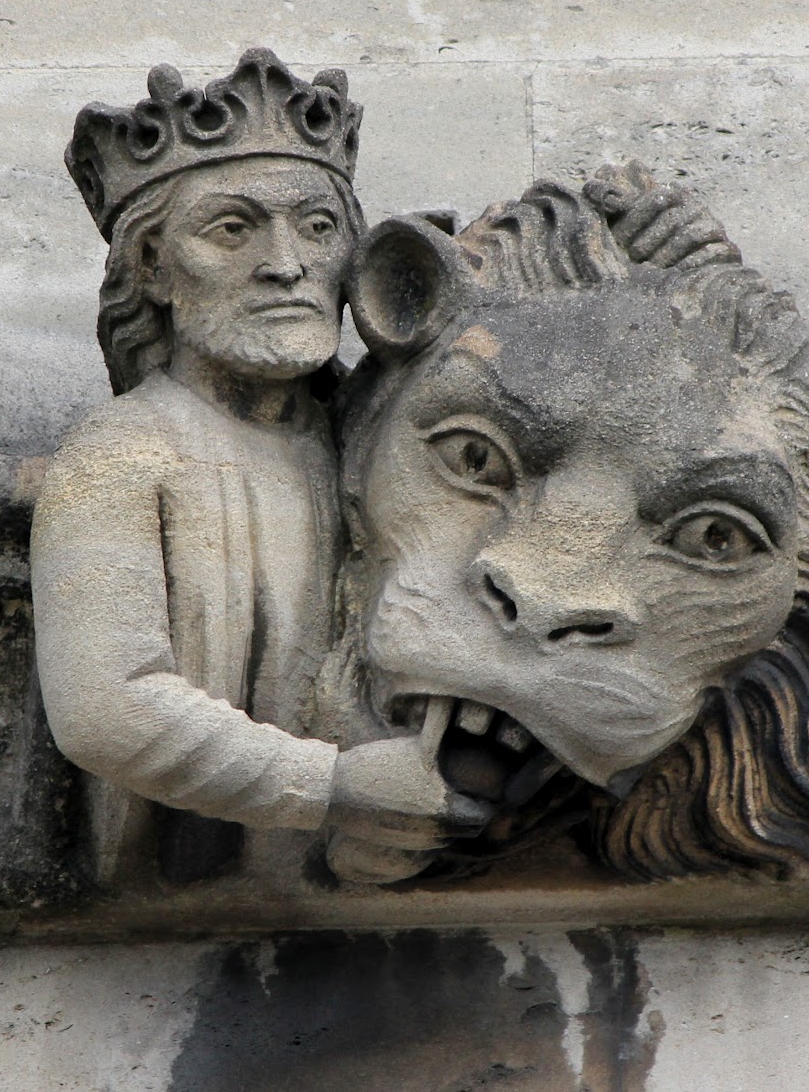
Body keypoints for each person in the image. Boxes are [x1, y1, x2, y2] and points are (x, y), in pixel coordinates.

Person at [33, 49, 483, 885]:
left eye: (318, 228)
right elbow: (105, 707)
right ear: (153, 268)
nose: (286, 263)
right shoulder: (123, 452)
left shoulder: (374, 442)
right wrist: (334, 784)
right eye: (233, 228)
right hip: (194, 897)